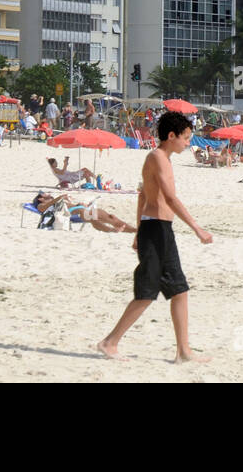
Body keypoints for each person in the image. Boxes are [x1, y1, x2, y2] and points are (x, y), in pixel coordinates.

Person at [97, 111, 213, 363]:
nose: (188, 143)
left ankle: (183, 351)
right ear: (171, 136)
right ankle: (109, 342)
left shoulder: (163, 158)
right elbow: (169, 198)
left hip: (158, 230)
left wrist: (138, 231)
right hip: (157, 230)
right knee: (147, 293)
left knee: (179, 290)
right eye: (185, 138)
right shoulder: (157, 157)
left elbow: (142, 196)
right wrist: (196, 228)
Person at [32, 192, 136, 233]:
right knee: (89, 216)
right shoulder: (40, 205)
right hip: (67, 213)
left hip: (76, 208)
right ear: (40, 198)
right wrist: (60, 198)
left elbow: (72, 206)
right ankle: (112, 230)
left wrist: (79, 204)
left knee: (110, 216)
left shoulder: (56, 200)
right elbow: (45, 208)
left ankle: (133, 229)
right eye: (45, 194)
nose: (49, 194)